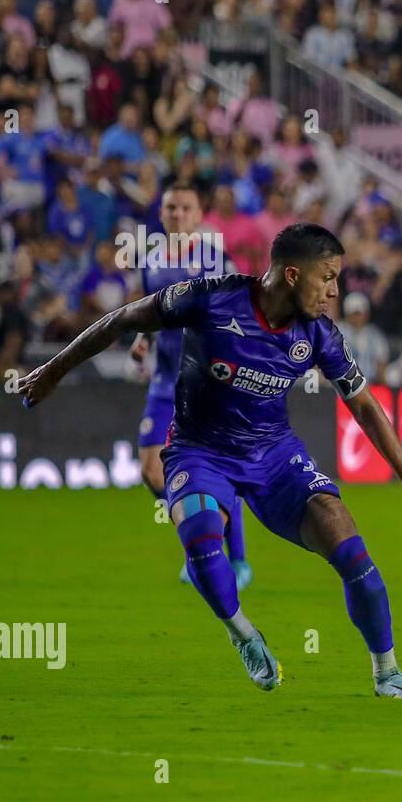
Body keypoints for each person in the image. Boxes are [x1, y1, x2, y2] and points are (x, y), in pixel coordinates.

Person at [18, 223, 402, 698]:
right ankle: (244, 634)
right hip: (199, 450)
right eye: (328, 277)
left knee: (354, 554)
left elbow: (365, 405)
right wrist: (51, 371)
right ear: (292, 275)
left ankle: (387, 672)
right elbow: (122, 320)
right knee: (205, 547)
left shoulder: (320, 335)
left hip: (275, 454)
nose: (335, 291)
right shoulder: (209, 298)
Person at [128, 184, 253, 591]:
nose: (177, 214)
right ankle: (199, 543)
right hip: (165, 381)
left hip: (208, 384)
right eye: (170, 208)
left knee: (216, 471)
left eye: (185, 208)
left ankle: (234, 559)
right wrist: (142, 338)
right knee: (151, 471)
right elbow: (150, 312)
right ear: (161, 214)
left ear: (200, 214)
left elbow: (240, 314)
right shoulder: (150, 263)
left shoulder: (215, 262)